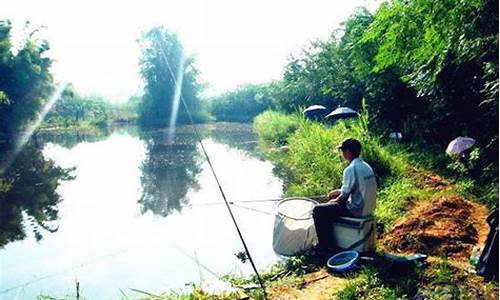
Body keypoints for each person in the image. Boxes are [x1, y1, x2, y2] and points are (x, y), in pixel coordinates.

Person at [312, 138, 377, 250]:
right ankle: (329, 242)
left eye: (343, 151)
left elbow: (343, 198)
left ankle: (325, 247)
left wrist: (334, 201)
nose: (342, 154)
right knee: (329, 206)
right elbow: (353, 188)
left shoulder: (350, 169)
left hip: (356, 210)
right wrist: (337, 192)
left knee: (318, 210)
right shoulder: (365, 166)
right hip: (368, 208)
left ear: (348, 152)